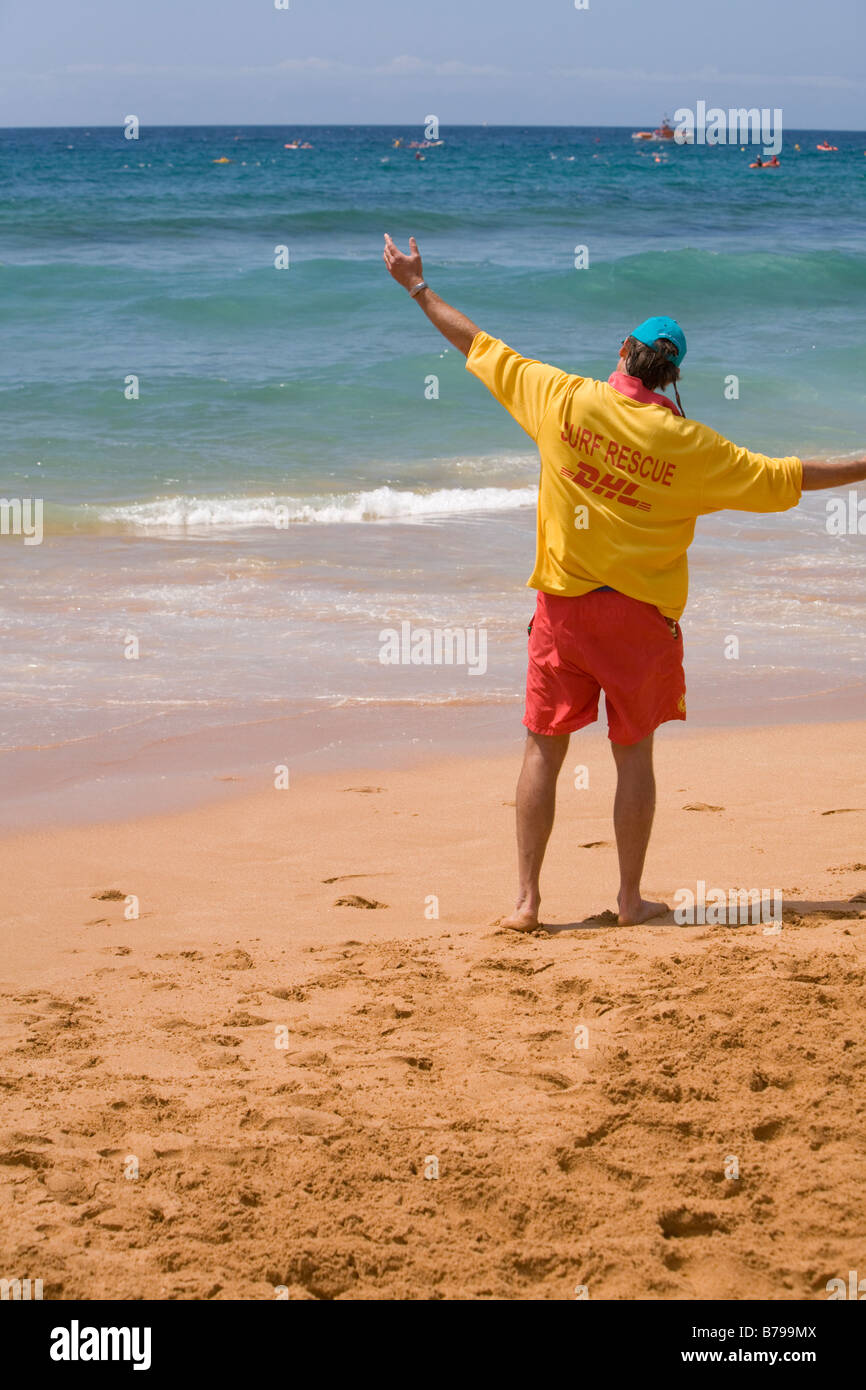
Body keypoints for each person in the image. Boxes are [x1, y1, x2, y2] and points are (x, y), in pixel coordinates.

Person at [382, 233, 866, 930]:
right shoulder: (695, 449)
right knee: (631, 754)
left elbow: (479, 346)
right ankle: (630, 898)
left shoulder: (562, 399)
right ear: (672, 379)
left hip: (564, 615)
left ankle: (525, 903)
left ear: (621, 353)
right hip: (640, 624)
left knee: (543, 752)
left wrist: (417, 287)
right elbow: (789, 476)